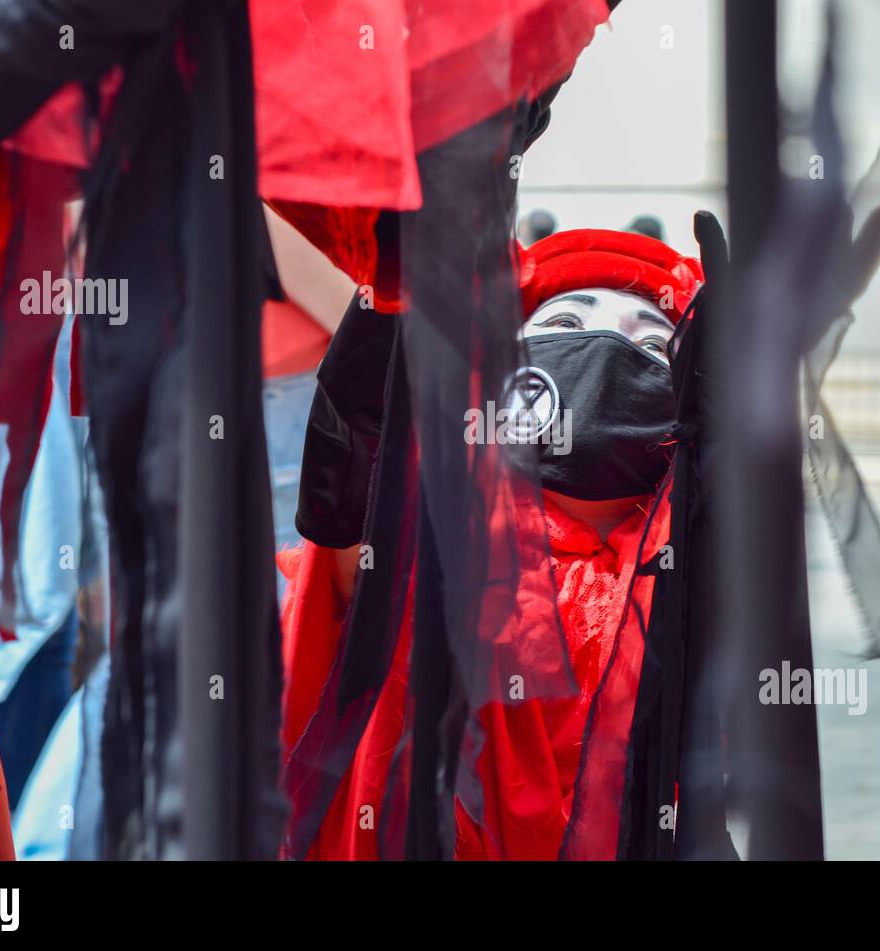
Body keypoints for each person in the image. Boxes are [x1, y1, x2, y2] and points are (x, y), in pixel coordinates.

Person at [278, 226, 705, 859]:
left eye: (649, 340)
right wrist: (407, 279)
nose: (609, 343)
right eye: (563, 323)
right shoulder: (437, 531)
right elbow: (350, 510)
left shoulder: (686, 555)